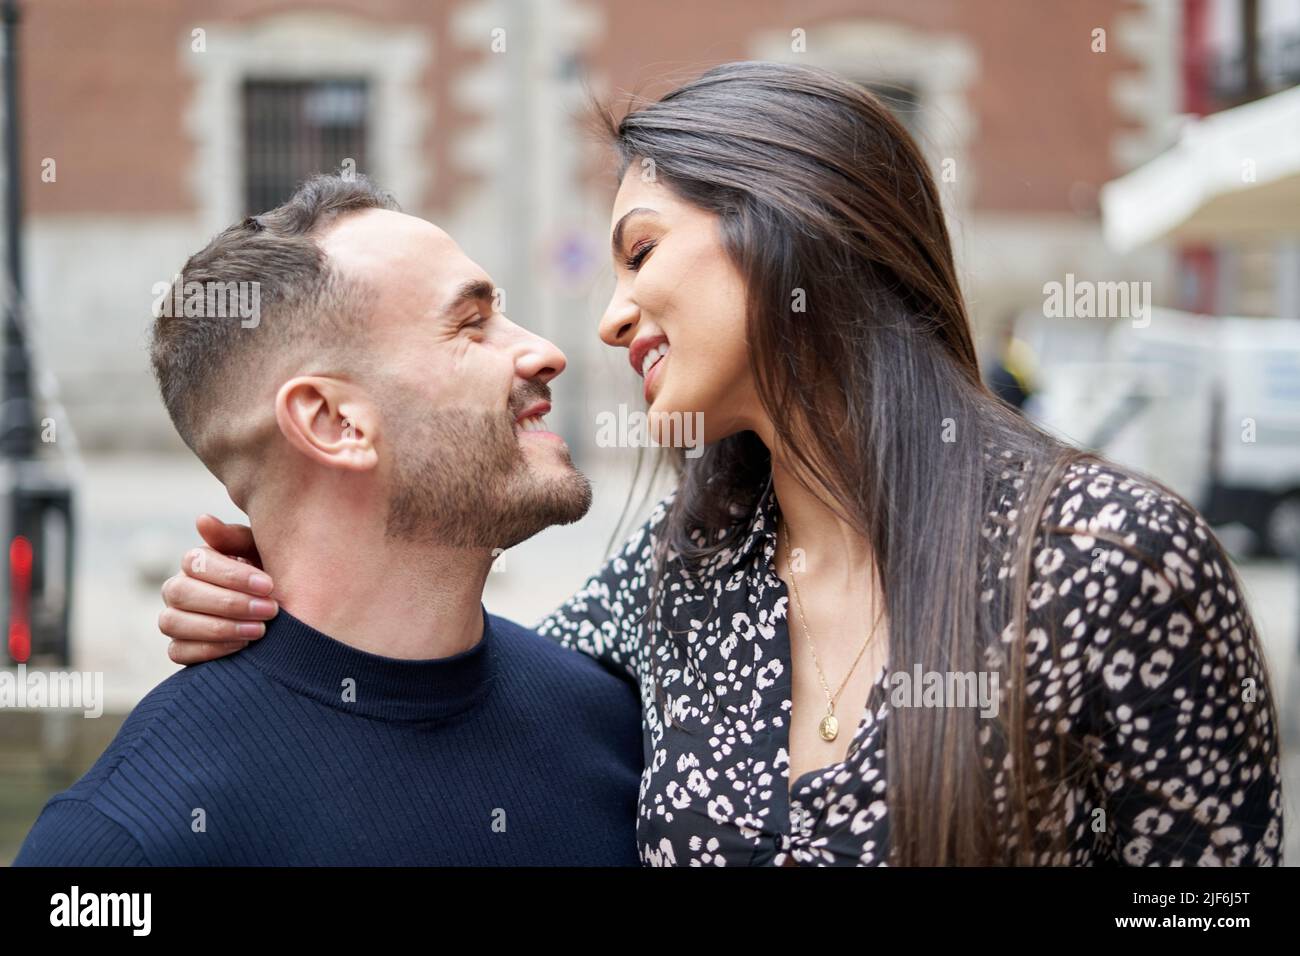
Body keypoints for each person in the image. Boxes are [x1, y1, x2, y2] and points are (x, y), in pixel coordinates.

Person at [157, 62, 1283, 866]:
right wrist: (275, 583)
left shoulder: (1109, 560)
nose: (606, 317)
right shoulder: (681, 575)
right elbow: (453, 675)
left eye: (640, 251)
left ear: (795, 220)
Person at [15, 175, 641, 866]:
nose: (545, 351)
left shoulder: (614, 721)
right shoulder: (125, 842)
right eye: (471, 324)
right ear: (332, 421)